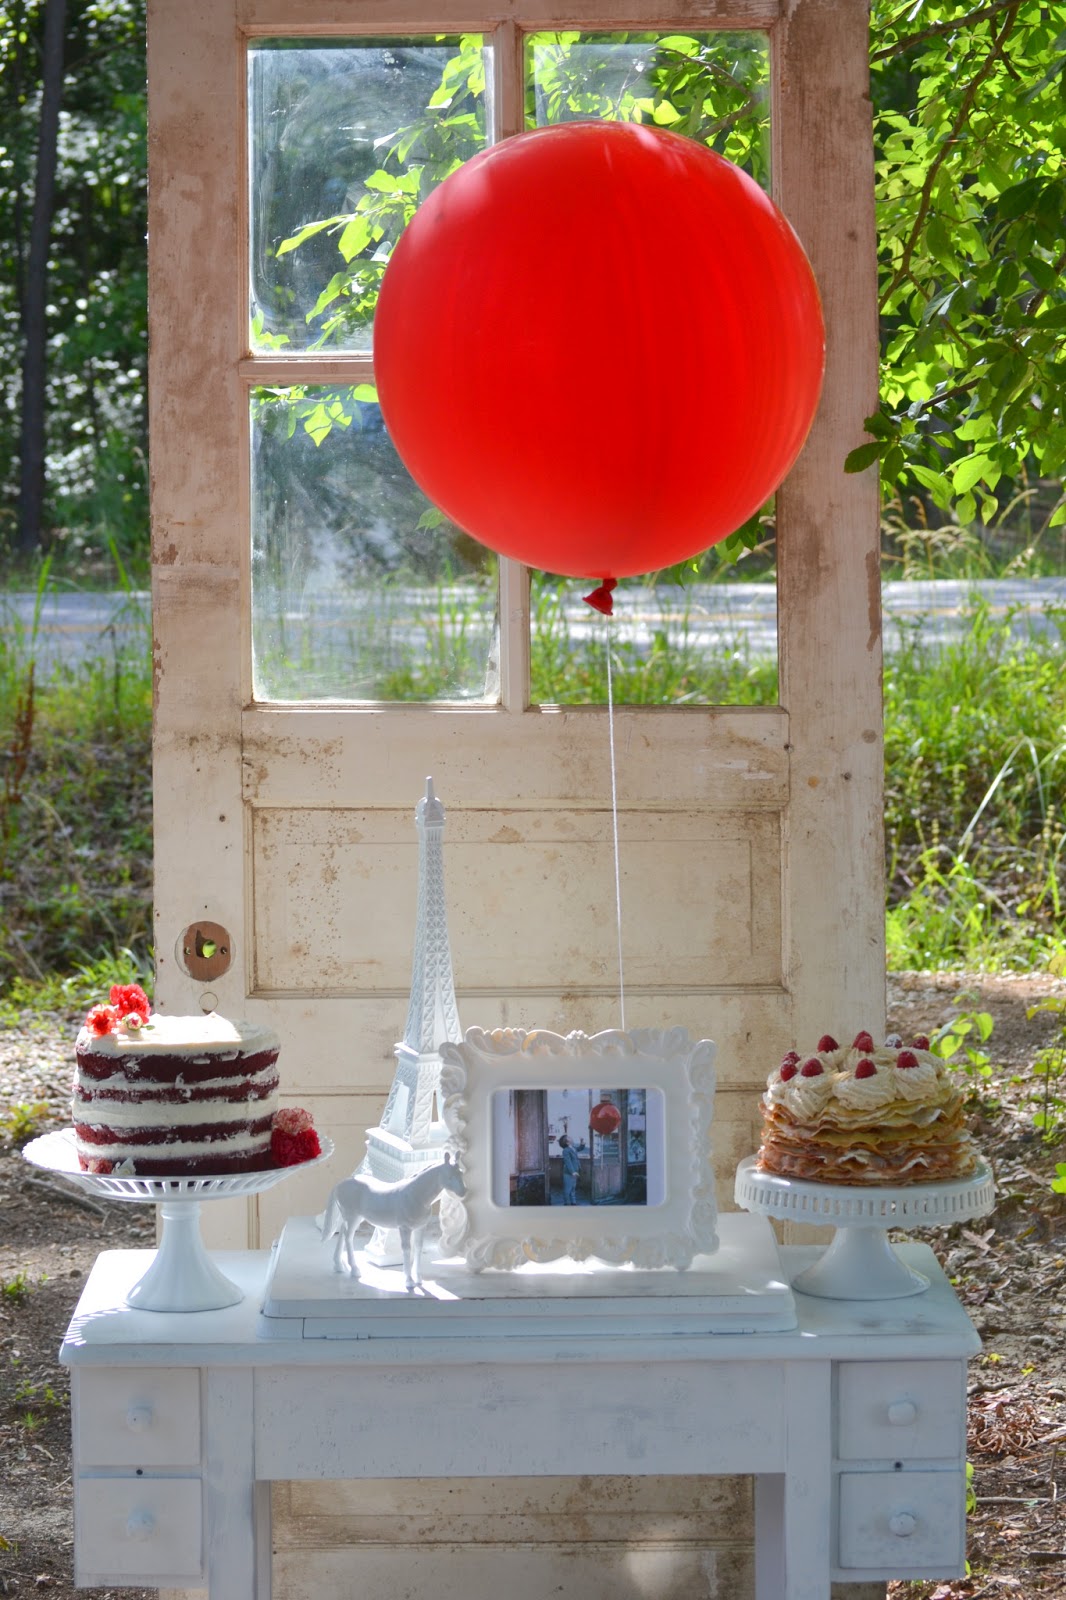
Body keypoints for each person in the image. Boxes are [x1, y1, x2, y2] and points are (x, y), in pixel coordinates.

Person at [559, 1135, 581, 1205]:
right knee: (567, 1190)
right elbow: (567, 1162)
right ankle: (567, 1203)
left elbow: (580, 1148)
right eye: (569, 1137)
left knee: (573, 1188)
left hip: (575, 1172)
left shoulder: (573, 1148)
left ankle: (573, 1203)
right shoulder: (566, 1150)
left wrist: (582, 1143)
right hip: (569, 1173)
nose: (571, 1137)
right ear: (567, 1142)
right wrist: (572, 1172)